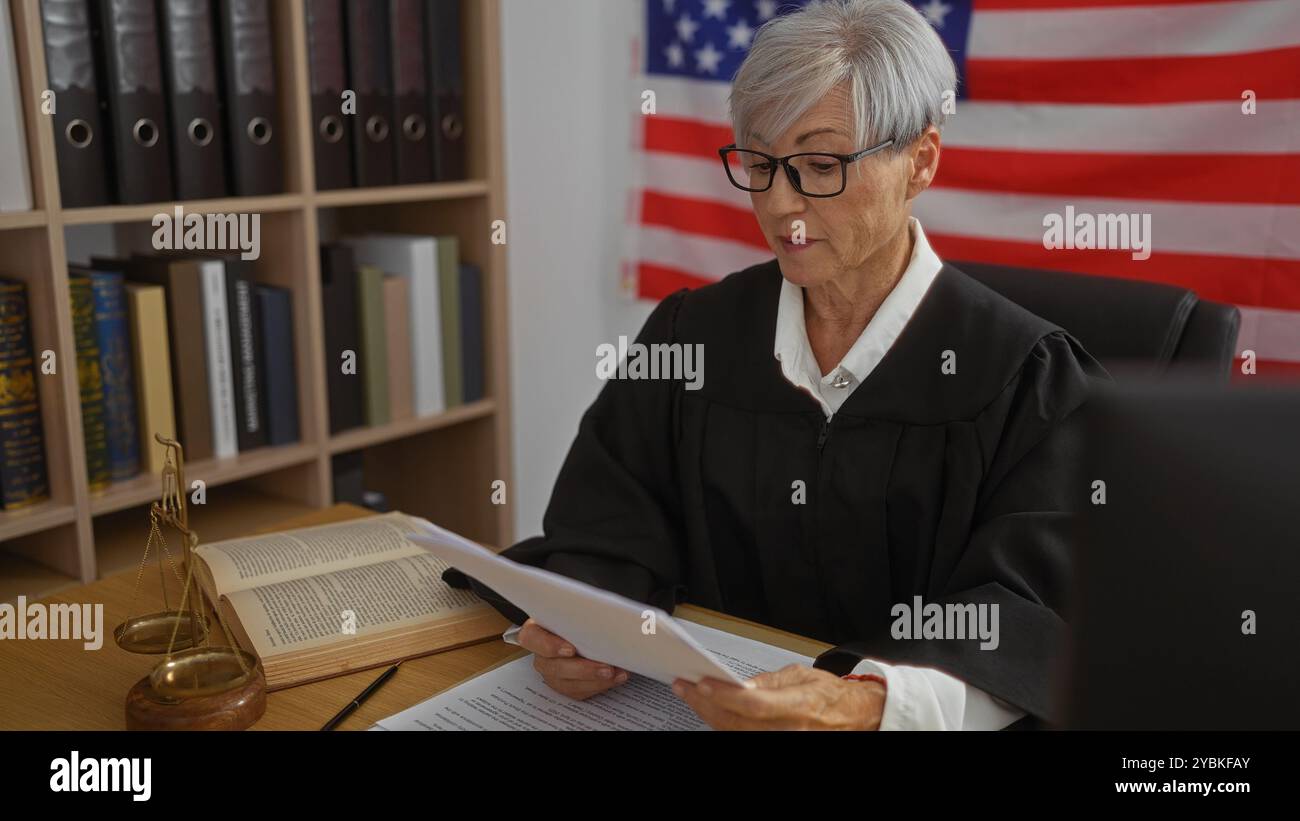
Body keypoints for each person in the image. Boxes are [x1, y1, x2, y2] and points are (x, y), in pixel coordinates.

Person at [447, 0, 1108, 730]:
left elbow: (1034, 618)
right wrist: (587, 629)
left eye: (821, 164)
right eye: (759, 163)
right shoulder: (690, 335)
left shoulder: (1028, 379)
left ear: (921, 160)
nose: (779, 203)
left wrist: (869, 704)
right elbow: (607, 527)